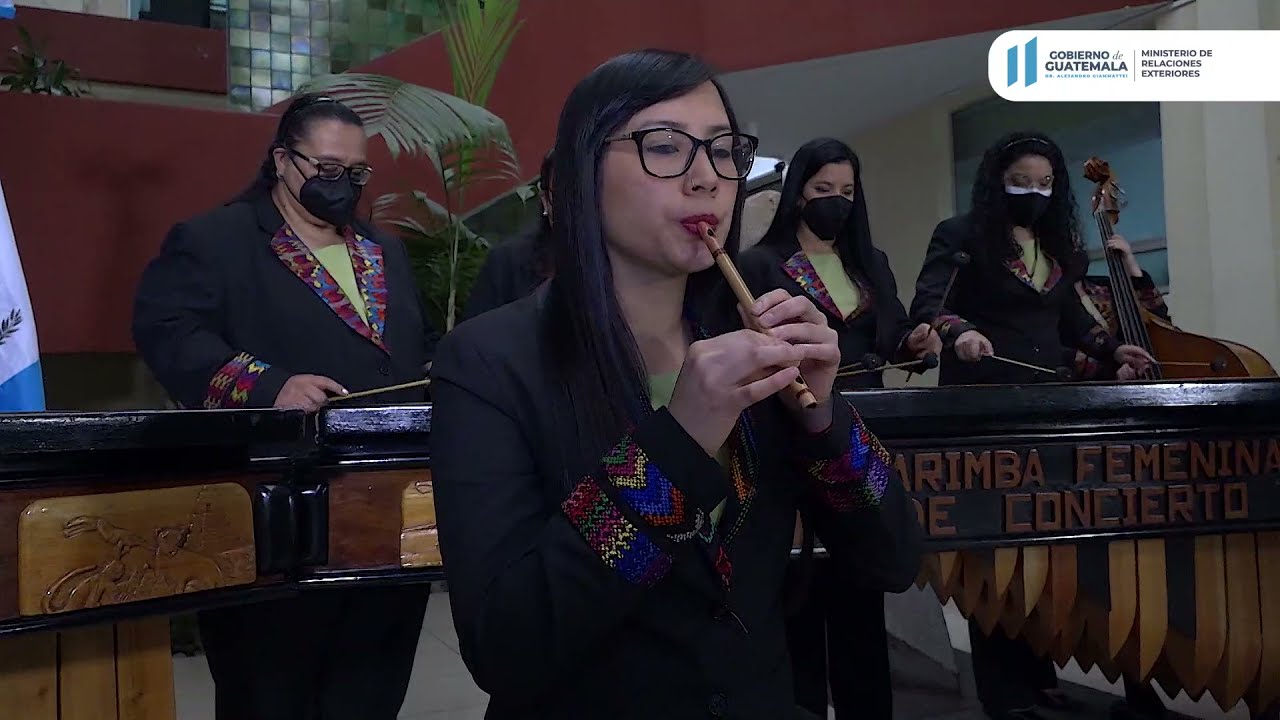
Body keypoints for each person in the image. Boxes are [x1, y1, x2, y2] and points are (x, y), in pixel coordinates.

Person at [429, 49, 924, 719]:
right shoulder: (490, 361)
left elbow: (893, 561)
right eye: (665, 147)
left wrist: (822, 419)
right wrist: (679, 442)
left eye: (724, 151)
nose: (707, 179)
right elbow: (506, 647)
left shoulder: (754, 336)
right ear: (580, 173)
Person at [132, 94, 436, 720]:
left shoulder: (385, 250)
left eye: (355, 172)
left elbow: (411, 345)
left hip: (386, 514)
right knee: (270, 693)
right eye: (327, 169)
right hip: (274, 515)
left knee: (370, 690)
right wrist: (271, 387)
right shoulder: (215, 240)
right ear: (282, 161)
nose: (342, 184)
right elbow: (168, 332)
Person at [909, 130, 1153, 720]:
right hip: (983, 412)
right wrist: (960, 333)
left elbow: (1071, 322)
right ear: (997, 181)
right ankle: (1006, 694)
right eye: (1021, 181)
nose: (1033, 192)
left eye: (1044, 183)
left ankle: (1042, 678)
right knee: (993, 552)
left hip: (1046, 410)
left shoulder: (1060, 245)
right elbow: (932, 306)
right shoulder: (961, 236)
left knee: (1041, 542)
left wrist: (1112, 348)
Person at [738, 137, 941, 720]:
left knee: (861, 594)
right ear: (798, 193)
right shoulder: (761, 263)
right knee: (799, 599)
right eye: (823, 188)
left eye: (847, 191)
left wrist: (915, 341)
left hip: (861, 443)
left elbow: (893, 336)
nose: (836, 201)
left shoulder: (869, 262)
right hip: (794, 436)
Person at [463, 149, 555, 320]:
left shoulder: (609, 256)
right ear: (545, 201)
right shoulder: (506, 263)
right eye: (562, 194)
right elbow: (476, 331)